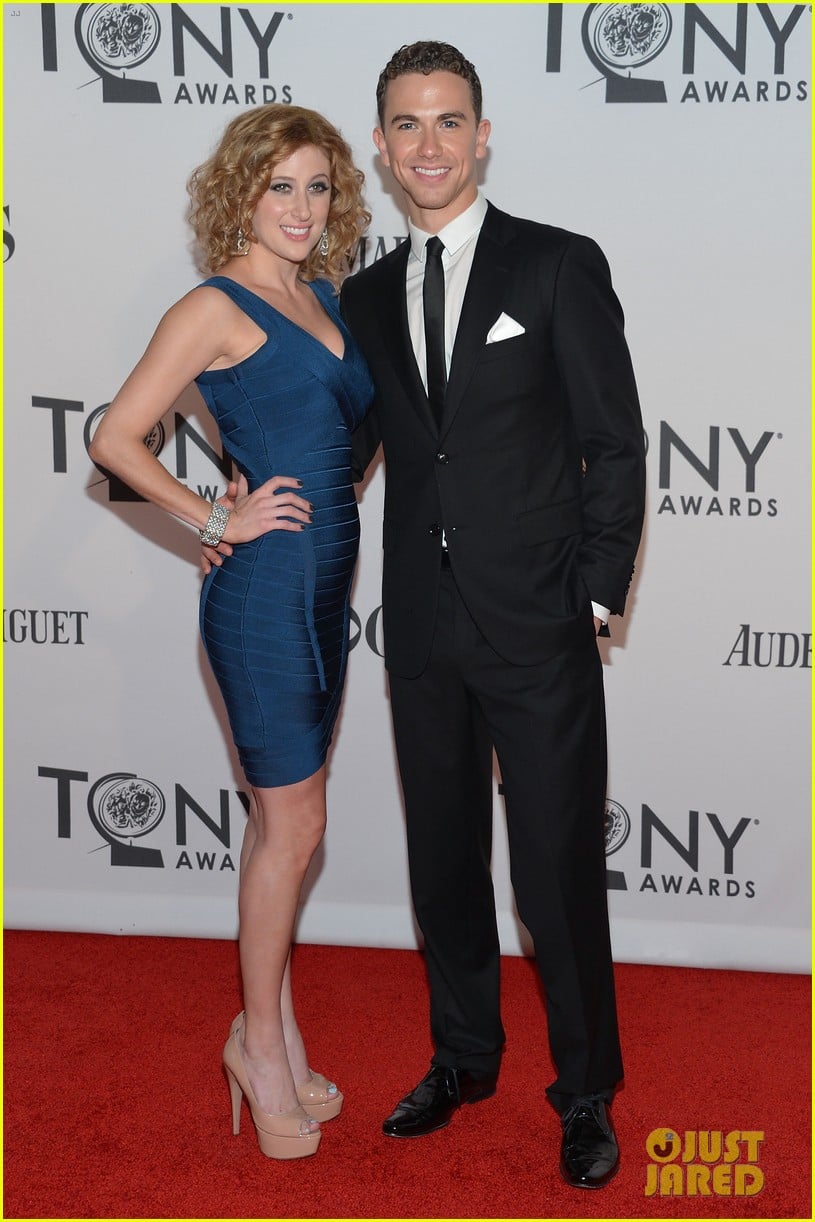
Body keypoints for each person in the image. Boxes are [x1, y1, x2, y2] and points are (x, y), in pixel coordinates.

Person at [341, 42, 646, 1188]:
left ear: (482, 135)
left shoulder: (556, 266)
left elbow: (612, 444)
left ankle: (584, 1093)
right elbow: (367, 442)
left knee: (556, 867)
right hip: (420, 626)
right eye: (406, 125)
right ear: (379, 144)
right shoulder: (367, 293)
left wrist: (595, 596)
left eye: (448, 122)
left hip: (538, 626)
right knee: (442, 863)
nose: (427, 145)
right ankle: (463, 1057)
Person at [90, 104, 373, 1161]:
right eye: (278, 187)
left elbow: (346, 437)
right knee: (292, 827)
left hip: (324, 592)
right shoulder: (210, 306)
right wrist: (214, 515)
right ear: (240, 195)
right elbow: (114, 437)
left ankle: (276, 1026)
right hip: (259, 598)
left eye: (314, 186)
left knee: (283, 827)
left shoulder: (323, 297)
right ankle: (256, 1047)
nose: (299, 207)